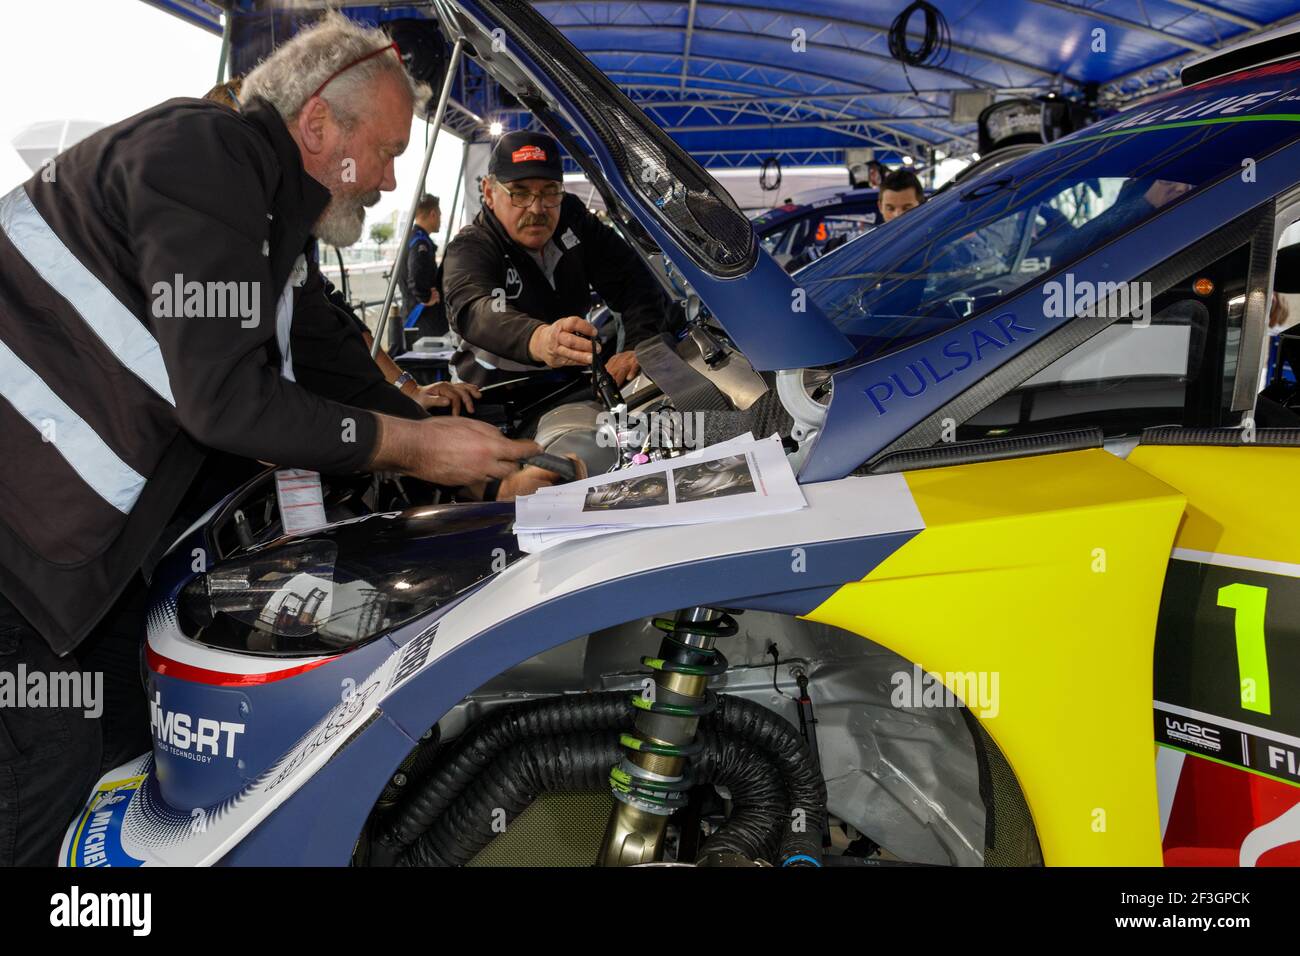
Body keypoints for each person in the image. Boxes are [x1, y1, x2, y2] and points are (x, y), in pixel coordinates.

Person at [0, 13, 550, 865]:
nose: (387, 179)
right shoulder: (199, 158)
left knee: (118, 753)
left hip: (77, 563)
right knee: (45, 774)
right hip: (20, 556)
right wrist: (412, 450)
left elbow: (338, 370)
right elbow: (224, 403)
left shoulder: (273, 223)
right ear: (319, 124)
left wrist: (480, 472)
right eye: (388, 150)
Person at [442, 130, 669, 388]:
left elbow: (633, 280)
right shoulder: (472, 246)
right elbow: (475, 308)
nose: (537, 209)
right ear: (490, 193)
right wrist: (539, 339)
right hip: (491, 396)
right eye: (520, 193)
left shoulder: (574, 221)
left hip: (571, 386)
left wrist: (637, 345)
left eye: (550, 192)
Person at [398, 192, 447, 339]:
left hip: (415, 312)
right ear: (433, 214)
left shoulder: (412, 237)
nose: (440, 220)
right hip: (420, 315)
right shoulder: (420, 243)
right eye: (439, 215)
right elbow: (416, 276)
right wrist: (426, 298)